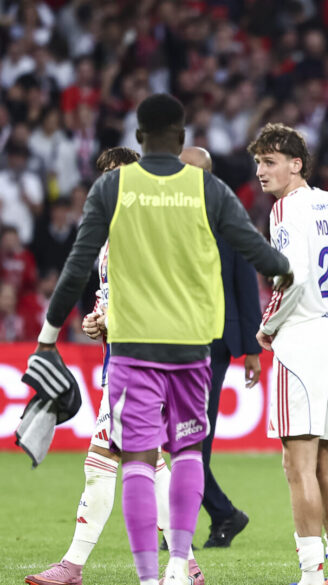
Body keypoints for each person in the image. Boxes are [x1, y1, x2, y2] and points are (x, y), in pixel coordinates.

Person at [27, 93, 292, 585]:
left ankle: (101, 567)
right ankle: (181, 563)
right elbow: (253, 257)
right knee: (172, 457)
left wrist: (50, 335)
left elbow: (84, 271)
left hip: (138, 354)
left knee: (117, 460)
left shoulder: (126, 207)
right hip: (187, 350)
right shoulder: (199, 197)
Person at [25, 147, 203, 585]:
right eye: (105, 175)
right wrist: (99, 318)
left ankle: (73, 565)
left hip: (146, 362)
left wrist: (113, 320)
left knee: (101, 461)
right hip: (129, 357)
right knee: (151, 462)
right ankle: (186, 564)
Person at [251, 122, 328, 585]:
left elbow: (292, 277)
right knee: (325, 461)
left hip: (300, 341)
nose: (261, 171)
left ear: (295, 164)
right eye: (259, 162)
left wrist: (270, 326)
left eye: (270, 162)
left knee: (296, 463)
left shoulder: (285, 209)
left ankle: (310, 574)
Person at [179, 146, 257, 549]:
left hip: (213, 343)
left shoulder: (228, 214)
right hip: (174, 338)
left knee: (192, 435)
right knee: (179, 435)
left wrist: (253, 349)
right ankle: (220, 514)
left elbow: (245, 281)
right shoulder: (169, 212)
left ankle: (198, 521)